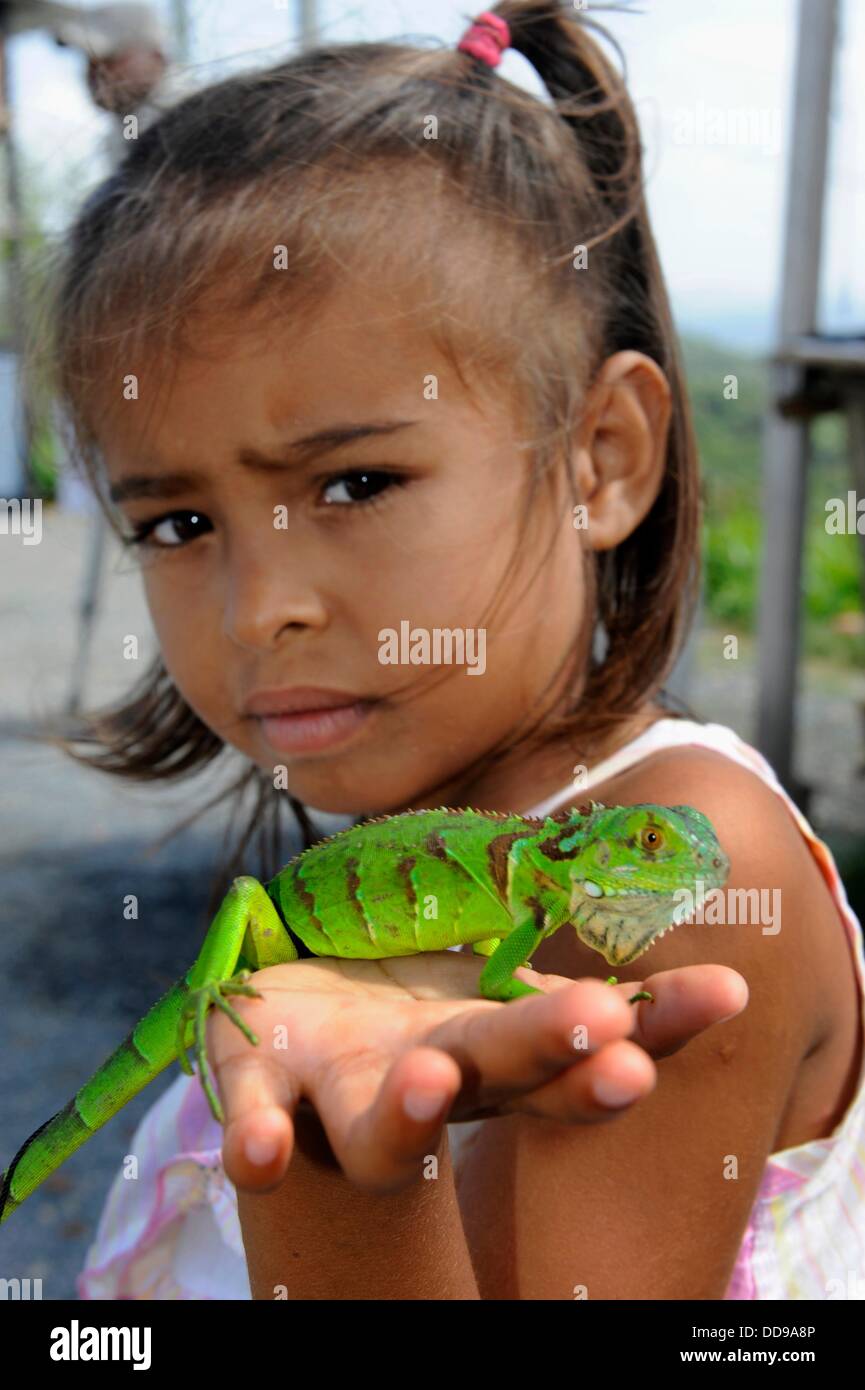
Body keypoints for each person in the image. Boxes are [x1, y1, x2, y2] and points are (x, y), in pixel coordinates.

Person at [33, 1, 863, 1300]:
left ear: (602, 459)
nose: (260, 607)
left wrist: (322, 1163)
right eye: (180, 520)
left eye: (356, 483)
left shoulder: (686, 884)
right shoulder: (427, 845)